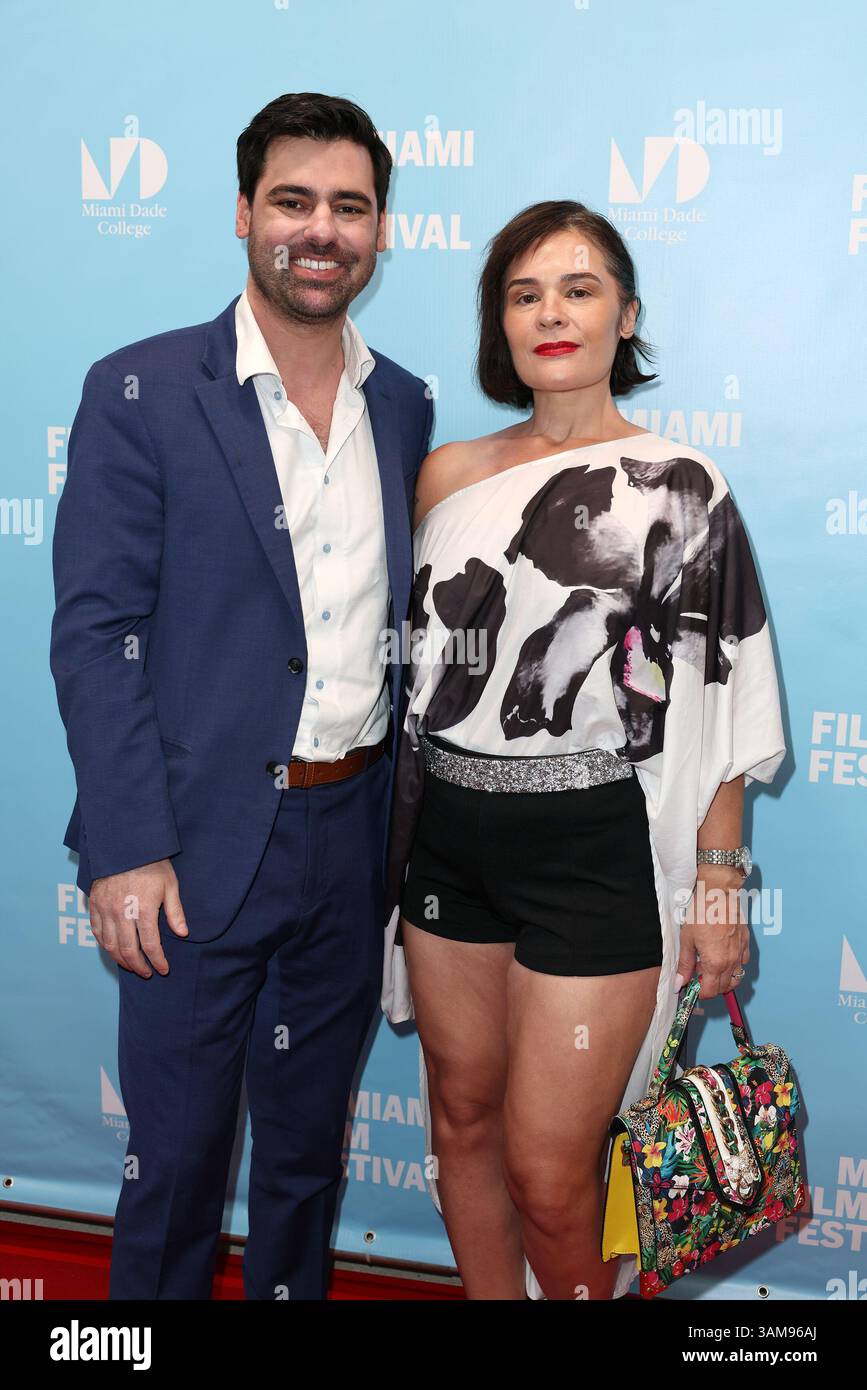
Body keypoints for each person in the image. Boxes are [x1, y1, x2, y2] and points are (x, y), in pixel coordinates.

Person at [50, 92, 431, 1299]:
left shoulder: (406, 406)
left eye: (349, 207)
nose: (321, 229)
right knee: (173, 1171)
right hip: (189, 849)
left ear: (379, 231)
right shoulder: (144, 390)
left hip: (349, 841)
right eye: (293, 201)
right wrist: (125, 848)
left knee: (306, 1168)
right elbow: (95, 633)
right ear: (242, 215)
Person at [381, 200, 786, 1300]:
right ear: (498, 325)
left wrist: (718, 881)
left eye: (579, 288)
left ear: (627, 314)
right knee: (461, 1121)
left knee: (553, 1174)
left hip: (595, 852)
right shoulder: (443, 476)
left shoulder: (682, 486)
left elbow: (721, 696)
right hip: (447, 846)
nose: (550, 312)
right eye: (524, 294)